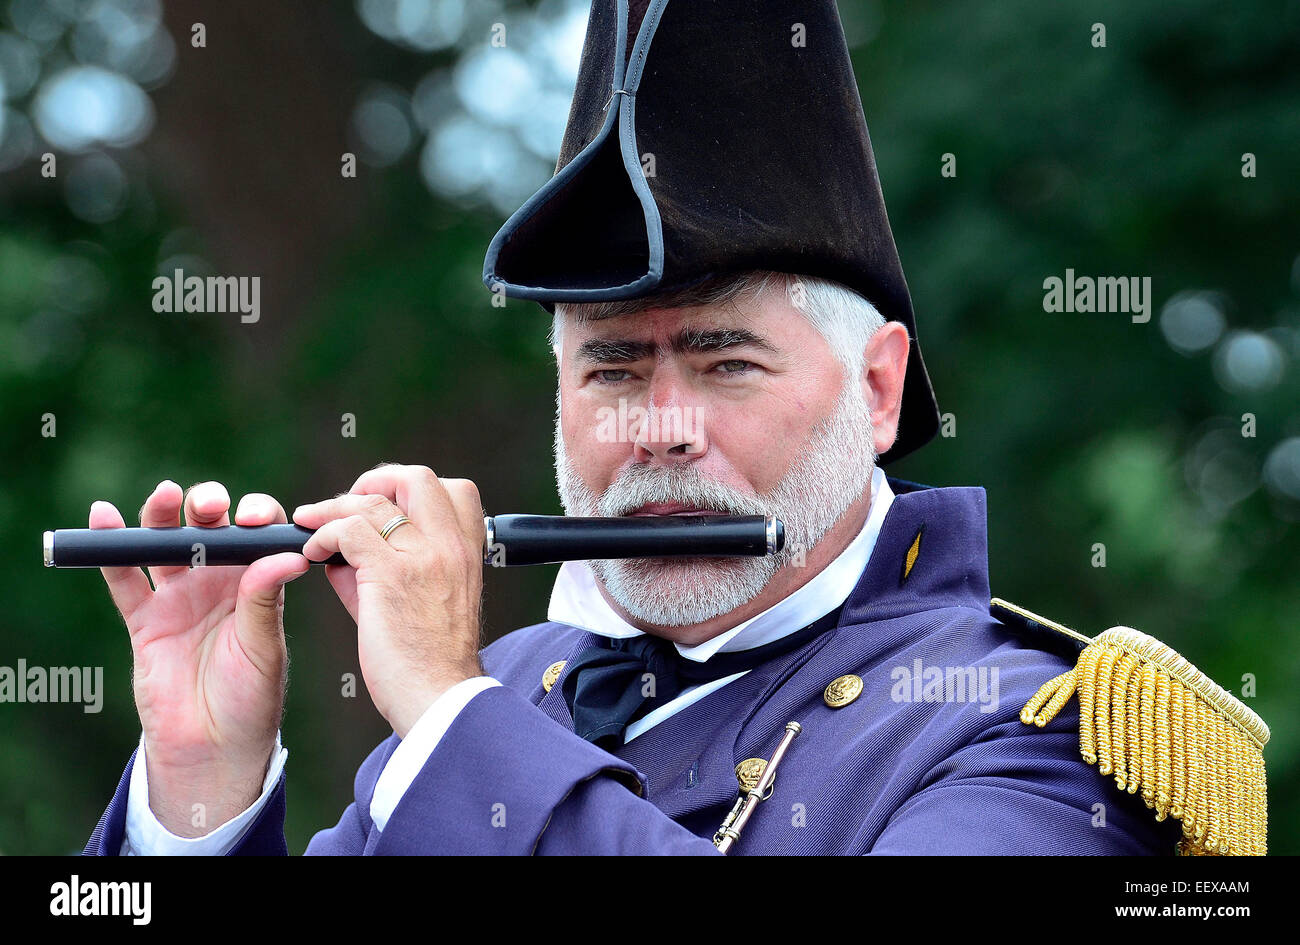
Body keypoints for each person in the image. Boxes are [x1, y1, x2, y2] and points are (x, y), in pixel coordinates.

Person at [83, 0, 1266, 855]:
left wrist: (452, 719)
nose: (657, 426)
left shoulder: (1034, 732)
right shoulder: (511, 690)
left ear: (878, 387)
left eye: (722, 360)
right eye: (609, 366)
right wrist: (198, 791)